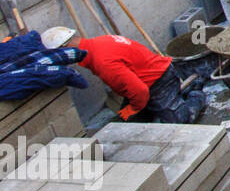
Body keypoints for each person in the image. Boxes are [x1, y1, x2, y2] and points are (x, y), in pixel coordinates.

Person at [40, 27, 204, 125]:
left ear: (65, 48)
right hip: (146, 79)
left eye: (59, 55)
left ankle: (195, 94)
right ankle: (171, 98)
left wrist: (134, 107)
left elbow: (140, 91)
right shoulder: (98, 43)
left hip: (158, 81)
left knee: (179, 121)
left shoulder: (103, 62)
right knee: (129, 124)